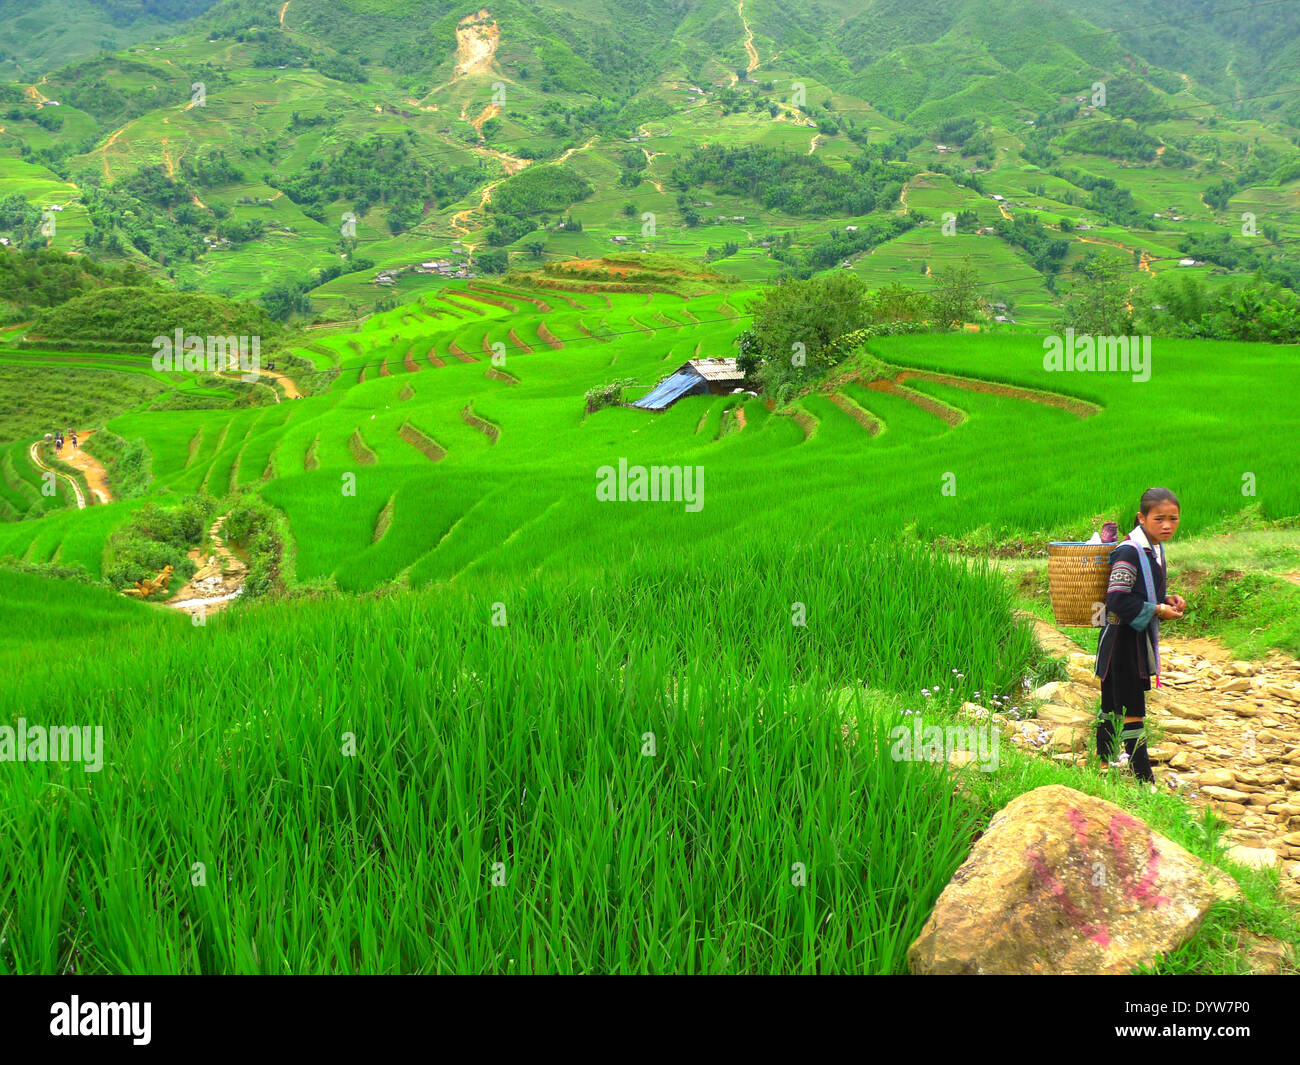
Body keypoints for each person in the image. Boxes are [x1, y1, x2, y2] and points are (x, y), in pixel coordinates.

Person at [1094, 488, 1186, 785]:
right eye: (1159, 518)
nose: (1167, 525)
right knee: (1131, 709)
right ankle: (1143, 779)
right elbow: (1118, 600)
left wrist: (1167, 599)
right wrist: (1158, 609)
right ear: (1141, 517)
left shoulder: (1152, 549)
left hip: (1130, 639)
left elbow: (1142, 592)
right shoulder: (1129, 551)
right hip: (1122, 641)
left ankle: (1103, 764)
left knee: (1112, 705)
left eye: (1173, 519)